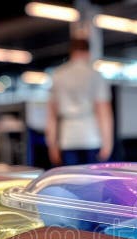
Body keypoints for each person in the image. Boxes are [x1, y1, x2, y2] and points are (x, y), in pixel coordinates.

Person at [46, 38, 114, 166]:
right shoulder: (96, 75)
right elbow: (103, 111)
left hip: (67, 138)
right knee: (91, 182)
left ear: (71, 52)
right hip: (91, 137)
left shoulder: (58, 75)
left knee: (70, 182)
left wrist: (52, 145)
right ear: (89, 52)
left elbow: (52, 115)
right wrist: (108, 143)